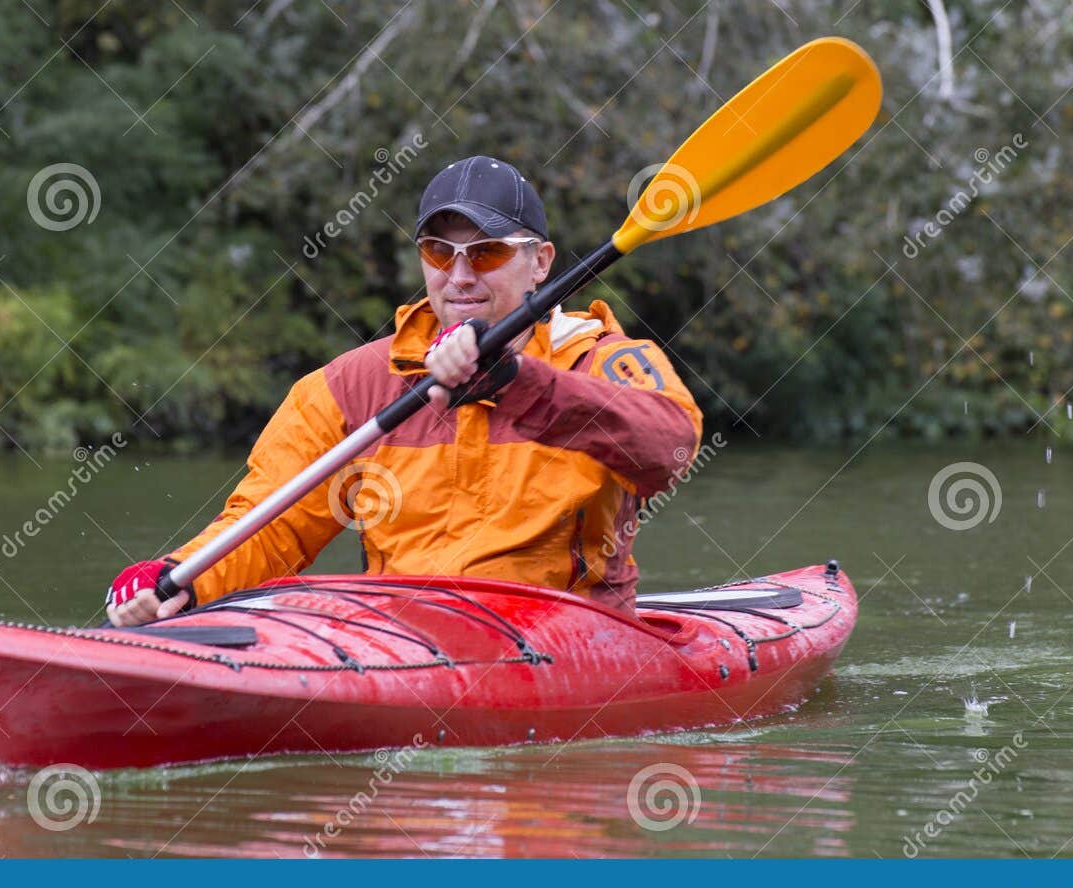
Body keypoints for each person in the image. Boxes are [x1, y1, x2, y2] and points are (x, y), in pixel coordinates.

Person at [106, 155, 702, 625]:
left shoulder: (601, 360)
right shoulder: (348, 387)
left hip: (565, 637)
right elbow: (272, 524)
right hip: (402, 634)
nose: (460, 275)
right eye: (439, 252)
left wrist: (524, 386)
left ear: (541, 262)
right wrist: (181, 578)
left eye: (487, 252)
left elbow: (671, 448)